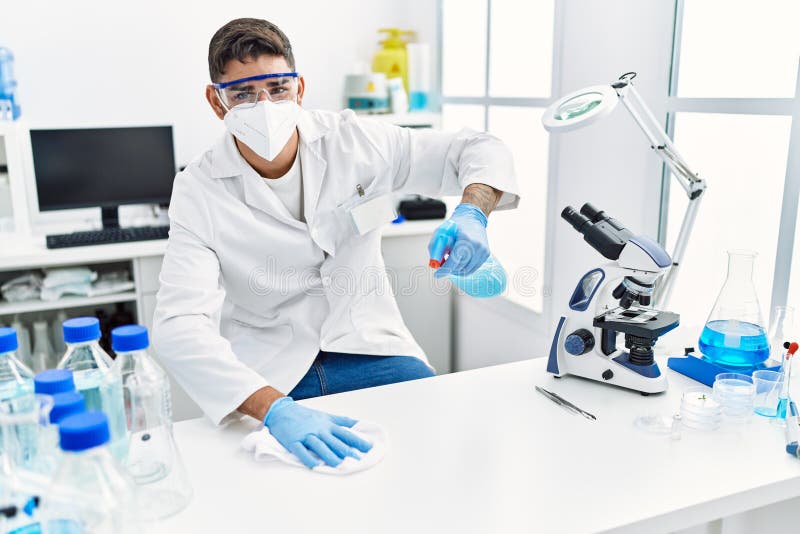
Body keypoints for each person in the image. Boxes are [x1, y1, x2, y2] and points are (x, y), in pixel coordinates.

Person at [152, 18, 520, 469]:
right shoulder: (198, 189)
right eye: (244, 94)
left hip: (372, 346)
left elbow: (476, 148)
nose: (264, 105)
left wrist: (473, 212)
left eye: (277, 88)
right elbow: (177, 325)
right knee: (277, 486)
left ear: (299, 88)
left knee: (428, 453)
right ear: (216, 100)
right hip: (272, 373)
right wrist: (275, 409)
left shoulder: (354, 141)